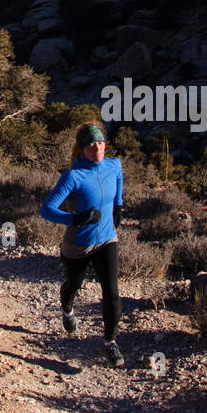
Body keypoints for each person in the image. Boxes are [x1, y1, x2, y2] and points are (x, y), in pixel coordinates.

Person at [40, 122, 125, 367]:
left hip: (107, 239)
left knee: (112, 294)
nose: (96, 148)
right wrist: (74, 219)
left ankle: (110, 342)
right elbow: (47, 210)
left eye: (100, 143)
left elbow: (118, 179)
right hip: (78, 244)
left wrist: (118, 205)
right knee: (74, 285)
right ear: (81, 148)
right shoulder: (73, 176)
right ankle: (67, 307)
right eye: (90, 145)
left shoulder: (113, 165)